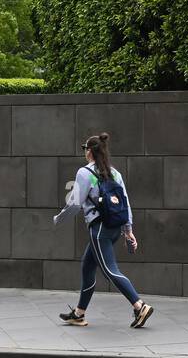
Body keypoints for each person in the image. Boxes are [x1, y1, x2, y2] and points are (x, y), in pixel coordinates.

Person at [52, 131, 153, 328]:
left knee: (109, 270)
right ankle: (79, 313)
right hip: (114, 228)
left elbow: (74, 204)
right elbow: (125, 203)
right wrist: (128, 230)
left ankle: (139, 306)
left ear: (89, 151)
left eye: (85, 149)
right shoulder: (115, 173)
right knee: (88, 265)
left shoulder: (85, 173)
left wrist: (58, 219)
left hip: (99, 229)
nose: (84, 152)